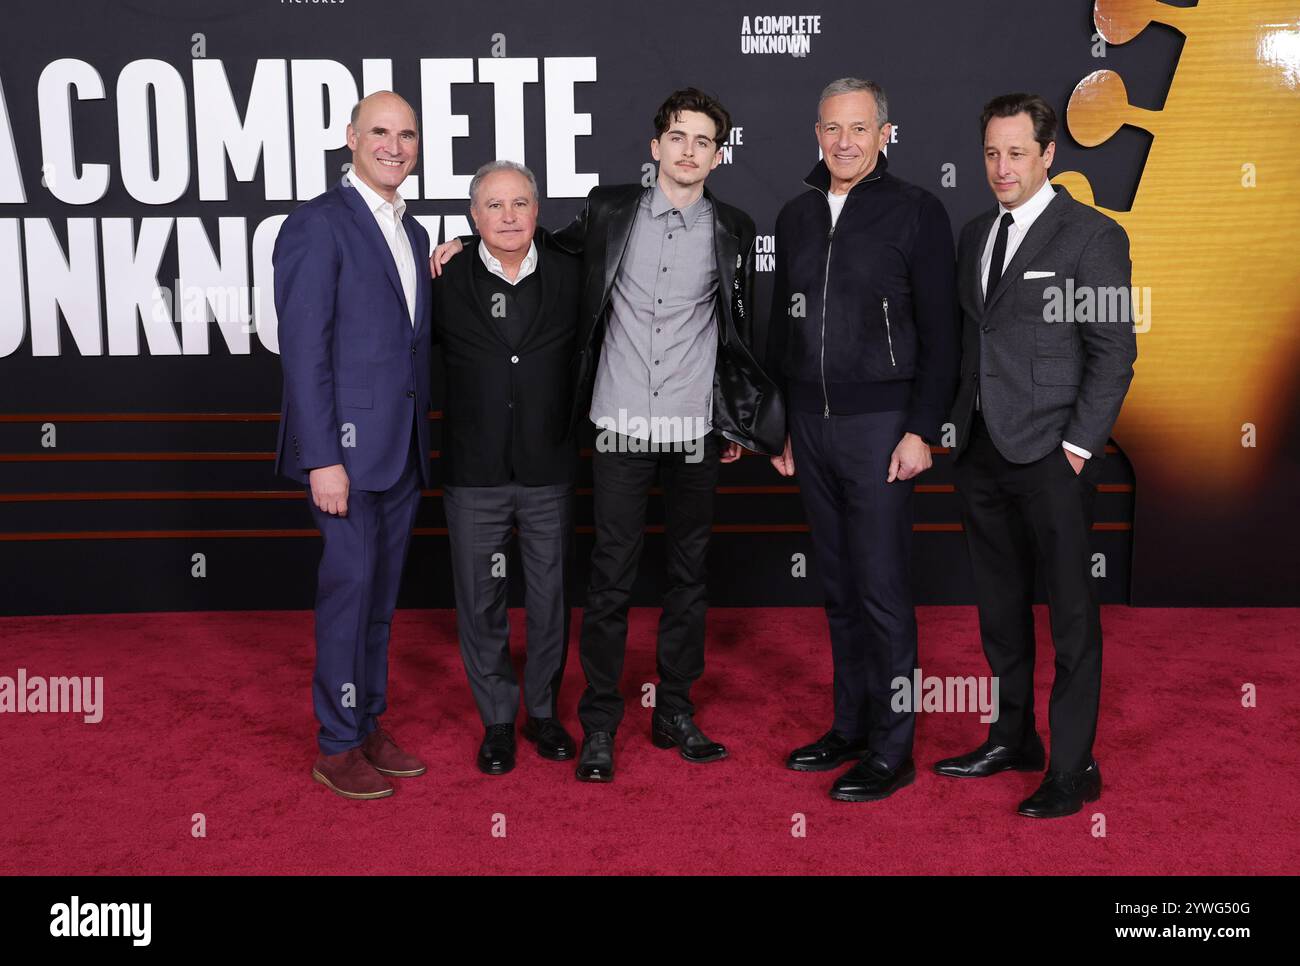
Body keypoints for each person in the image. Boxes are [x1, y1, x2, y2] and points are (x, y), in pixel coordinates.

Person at [431, 87, 784, 783]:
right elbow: (531, 244)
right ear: (656, 146)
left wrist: (738, 417)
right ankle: (599, 723)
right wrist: (469, 246)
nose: (688, 151)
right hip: (619, 424)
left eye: (703, 141)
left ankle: (675, 710)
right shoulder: (608, 210)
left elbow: (743, 328)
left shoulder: (735, 228)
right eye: (677, 137)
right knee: (610, 583)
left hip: (692, 431)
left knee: (687, 578)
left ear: (719, 154)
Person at [933, 93, 1136, 818]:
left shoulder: (1093, 237)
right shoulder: (973, 235)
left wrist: (1076, 450)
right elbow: (970, 345)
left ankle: (1073, 766)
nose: (1001, 167)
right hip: (982, 453)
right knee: (999, 609)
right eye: (991, 152)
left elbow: (1116, 354)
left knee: (1072, 618)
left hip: (1055, 458)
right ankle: (1011, 736)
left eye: (1017, 152)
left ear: (1049, 155)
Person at [766, 77, 959, 803]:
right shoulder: (795, 215)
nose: (844, 142)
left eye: (859, 128)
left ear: (884, 134)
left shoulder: (917, 211)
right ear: (816, 132)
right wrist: (779, 423)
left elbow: (944, 333)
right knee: (840, 590)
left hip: (883, 428)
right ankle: (849, 725)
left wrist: (921, 429)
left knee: (881, 592)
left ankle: (893, 747)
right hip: (810, 428)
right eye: (832, 128)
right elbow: (780, 331)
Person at [274, 91, 431, 800]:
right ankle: (337, 743)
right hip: (344, 454)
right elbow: (303, 351)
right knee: (347, 597)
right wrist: (321, 458)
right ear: (350, 139)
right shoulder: (317, 225)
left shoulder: (417, 234)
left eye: (406, 134)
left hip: (402, 450)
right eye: (380, 132)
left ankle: (366, 721)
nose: (394, 146)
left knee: (379, 598)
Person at [433, 160, 582, 776]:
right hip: (474, 470)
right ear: (474, 215)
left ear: (537, 211)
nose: (509, 216)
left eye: (520, 203)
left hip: (548, 465)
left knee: (550, 599)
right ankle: (497, 717)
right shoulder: (441, 277)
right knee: (480, 599)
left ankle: (542, 712)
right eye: (494, 205)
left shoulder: (574, 273)